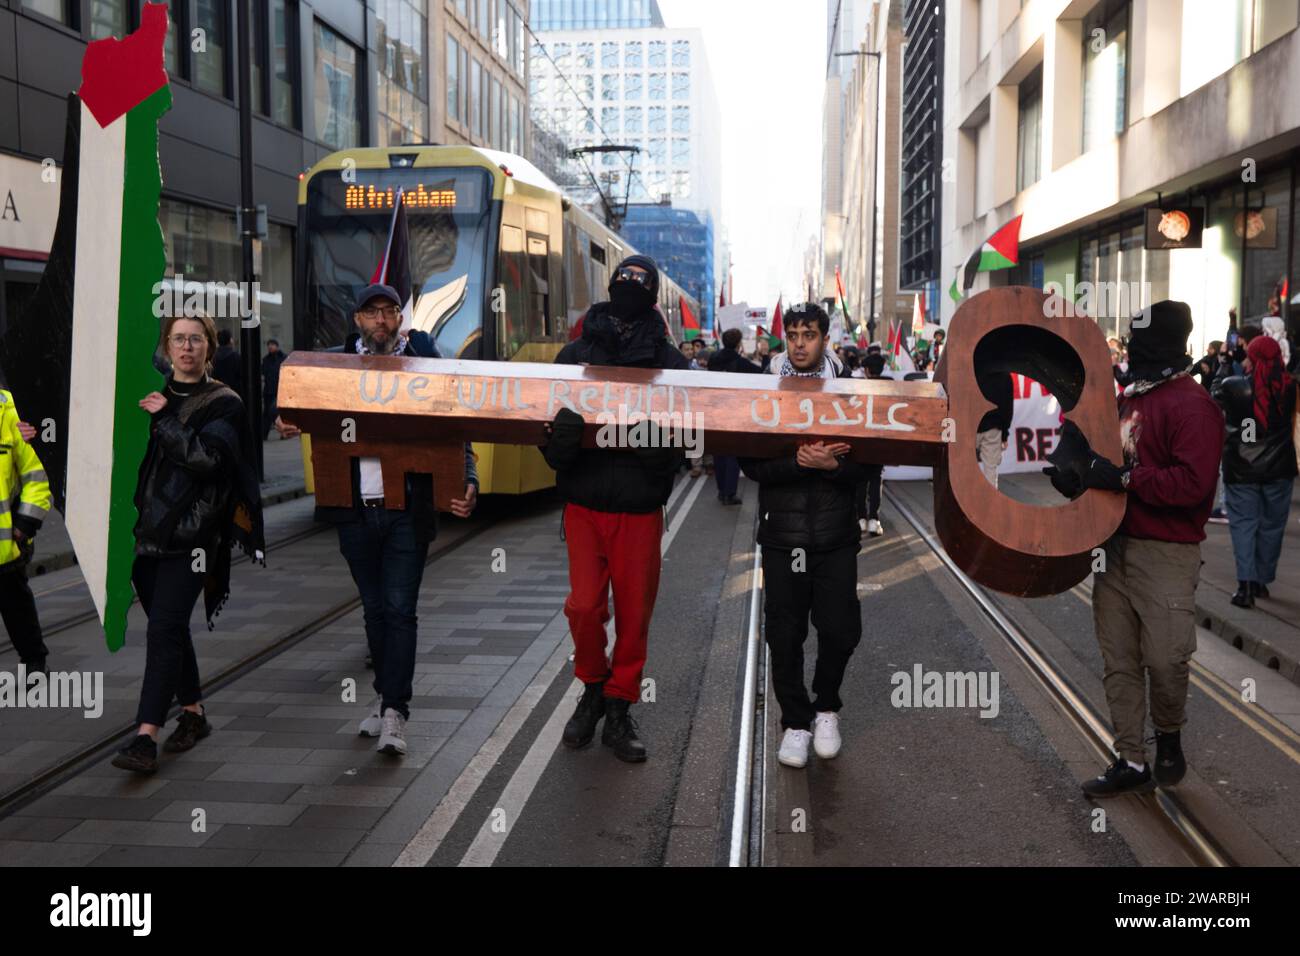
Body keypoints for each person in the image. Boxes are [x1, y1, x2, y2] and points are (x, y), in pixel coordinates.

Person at [276, 284, 477, 757]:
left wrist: (466, 481)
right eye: (372, 313)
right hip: (354, 510)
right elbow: (291, 408)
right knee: (374, 611)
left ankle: (395, 711)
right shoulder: (329, 366)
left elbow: (457, 429)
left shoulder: (425, 363)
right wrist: (286, 421)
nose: (381, 320)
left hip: (407, 510)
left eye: (390, 312)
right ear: (357, 320)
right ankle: (385, 696)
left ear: (399, 321)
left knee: (400, 610)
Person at [1045, 300, 1223, 797]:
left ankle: (1168, 737)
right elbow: (1102, 457)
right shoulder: (1130, 398)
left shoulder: (1193, 405)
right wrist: (1075, 476)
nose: (1132, 351)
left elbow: (1193, 484)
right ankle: (1130, 757)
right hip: (1114, 547)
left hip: (1166, 552)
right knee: (1119, 658)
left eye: (1141, 341)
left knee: (1166, 660)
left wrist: (1124, 478)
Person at [543, 255, 688, 763]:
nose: (630, 290)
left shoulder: (672, 362)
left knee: (633, 616)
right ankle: (593, 686)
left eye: (638, 284)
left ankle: (619, 706)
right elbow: (546, 423)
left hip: (638, 508)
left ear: (650, 295)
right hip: (583, 505)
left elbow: (691, 435)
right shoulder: (575, 354)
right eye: (623, 281)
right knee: (584, 607)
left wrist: (664, 452)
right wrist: (557, 448)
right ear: (610, 288)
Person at [112, 312, 265, 774]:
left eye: (196, 339)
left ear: (209, 349)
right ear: (167, 345)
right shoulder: (148, 390)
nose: (186, 347)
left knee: (161, 631)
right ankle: (194, 713)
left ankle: (145, 736)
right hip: (142, 537)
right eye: (178, 339)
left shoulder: (224, 402)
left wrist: (165, 420)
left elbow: (208, 461)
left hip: (192, 538)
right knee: (171, 627)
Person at [740, 302, 866, 768]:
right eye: (792, 334)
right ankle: (795, 721)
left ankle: (826, 707)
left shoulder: (852, 391)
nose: (798, 343)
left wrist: (834, 467)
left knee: (840, 630)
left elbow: (869, 464)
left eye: (808, 334)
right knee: (784, 634)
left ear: (824, 338)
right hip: (783, 538)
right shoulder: (765, 391)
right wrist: (795, 463)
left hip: (836, 538)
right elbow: (750, 462)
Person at [1212, 335, 1297, 607]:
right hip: (1279, 468)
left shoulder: (1236, 387)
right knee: (1272, 526)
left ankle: (1245, 586)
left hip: (1243, 467)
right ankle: (1261, 581)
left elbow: (1214, 392)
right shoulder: (1291, 387)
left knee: (1244, 525)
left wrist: (1225, 364)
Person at [0, 390, 52, 675]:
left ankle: (34, 661)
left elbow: (37, 474)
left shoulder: (11, 412)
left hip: (6, 542)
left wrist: (24, 524)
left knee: (14, 602)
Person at [707, 328, 762, 505]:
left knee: (718, 452)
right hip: (733, 411)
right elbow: (763, 374)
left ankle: (721, 489)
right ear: (739, 344)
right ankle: (729, 493)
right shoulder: (740, 362)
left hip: (715, 409)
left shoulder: (714, 359)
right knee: (732, 454)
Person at [858, 354, 888, 536]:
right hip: (880, 439)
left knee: (860, 480)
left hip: (862, 439)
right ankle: (874, 519)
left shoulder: (859, 387)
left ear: (867, 370)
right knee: (876, 479)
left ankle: (860, 518)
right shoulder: (890, 385)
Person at [975, 370, 1013, 488]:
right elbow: (1007, 408)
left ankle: (965, 503)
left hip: (968, 425)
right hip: (993, 427)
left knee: (964, 470)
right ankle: (988, 504)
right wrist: (1004, 434)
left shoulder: (970, 370)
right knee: (990, 472)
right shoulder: (1004, 375)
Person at [261, 339, 287, 438]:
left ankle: (283, 432)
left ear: (276, 346)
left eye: (272, 345)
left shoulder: (283, 358)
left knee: (278, 412)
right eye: (269, 345)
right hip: (269, 390)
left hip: (280, 389)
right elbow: (263, 372)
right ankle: (264, 434)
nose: (270, 347)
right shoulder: (266, 359)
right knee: (267, 413)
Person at [211, 328, 242, 393]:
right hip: (234, 393)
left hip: (217, 393)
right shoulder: (236, 357)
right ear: (230, 340)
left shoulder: (213, 358)